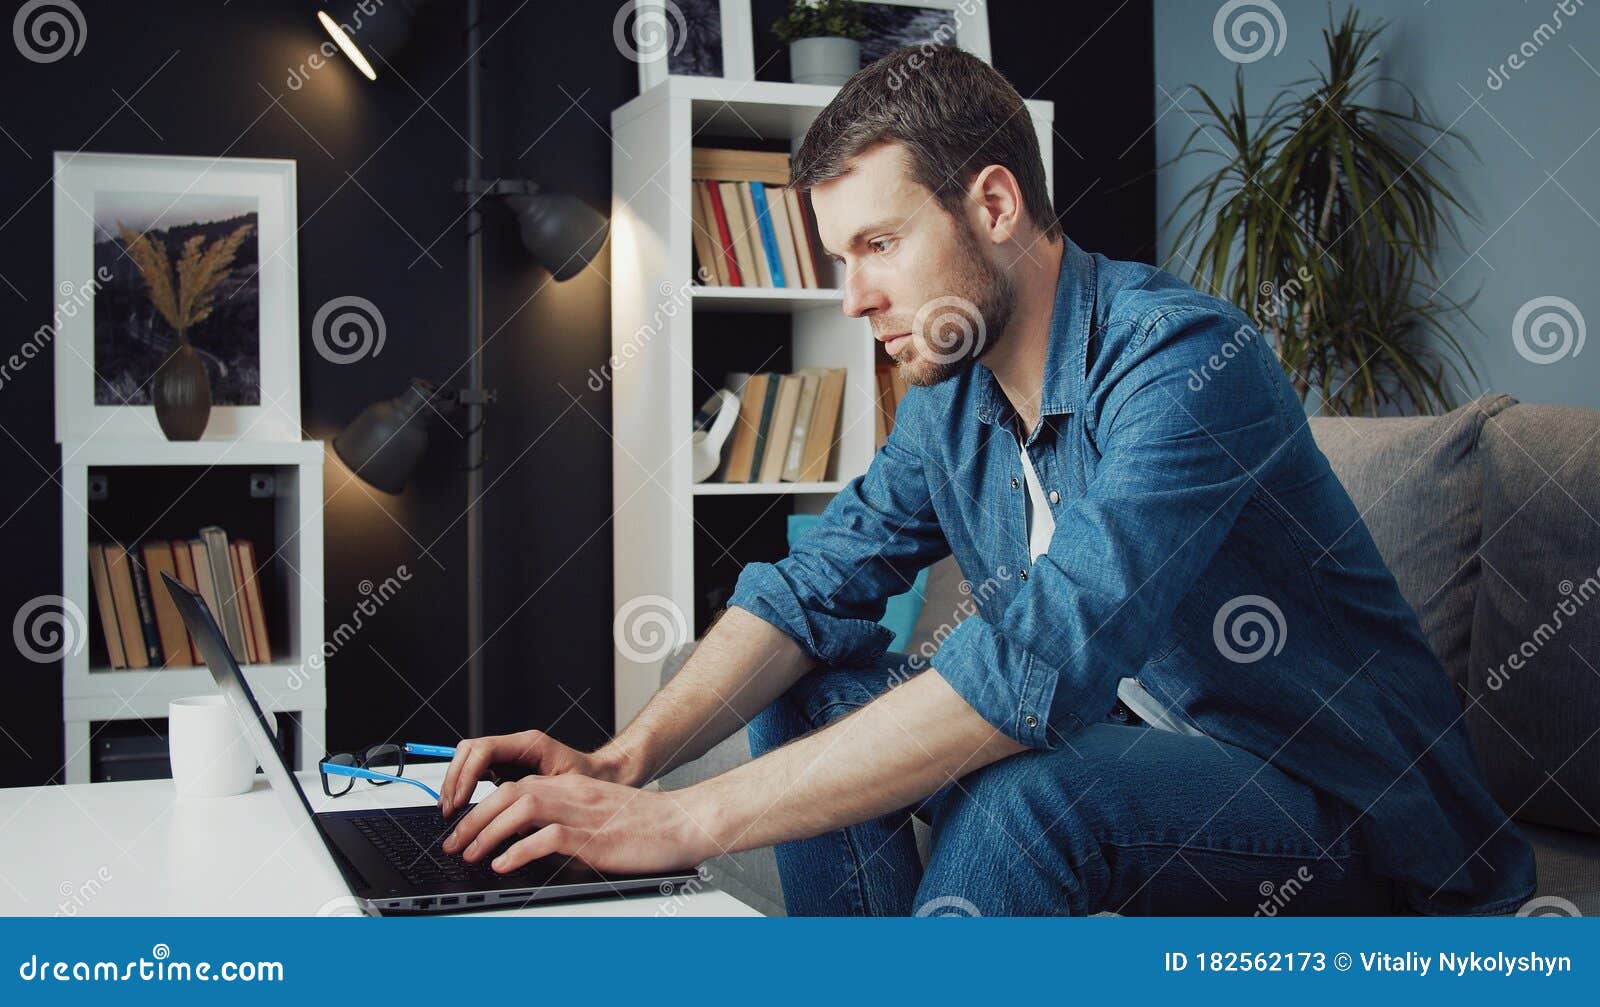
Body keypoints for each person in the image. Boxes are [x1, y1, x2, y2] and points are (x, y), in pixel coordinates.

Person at [433, 45, 1535, 917]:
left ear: (995, 205)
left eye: (878, 243)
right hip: (1151, 767)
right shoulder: (953, 399)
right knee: (812, 683)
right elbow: (810, 585)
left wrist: (683, 822)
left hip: (1344, 826)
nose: (855, 297)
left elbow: (1038, 661)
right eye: (839, 259)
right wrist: (624, 762)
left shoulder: (1187, 362)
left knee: (1038, 794)